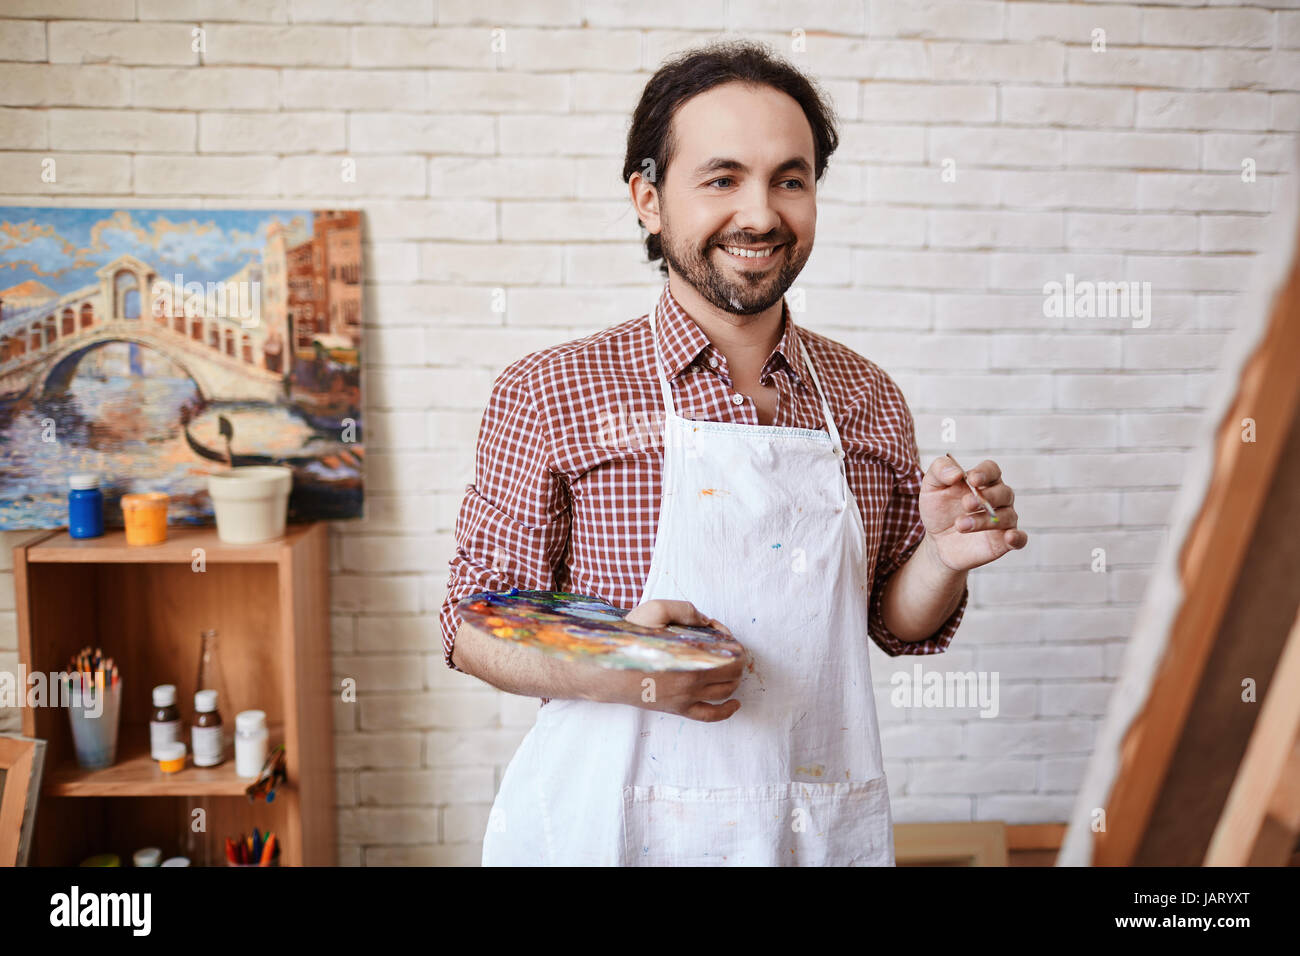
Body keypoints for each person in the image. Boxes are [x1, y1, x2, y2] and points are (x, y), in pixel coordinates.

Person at [439, 39, 1029, 866]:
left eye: (790, 179)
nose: (760, 214)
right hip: (607, 829)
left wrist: (943, 555)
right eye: (722, 179)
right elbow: (472, 624)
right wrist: (625, 661)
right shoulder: (551, 390)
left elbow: (894, 625)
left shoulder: (866, 396)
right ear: (649, 199)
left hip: (808, 821)